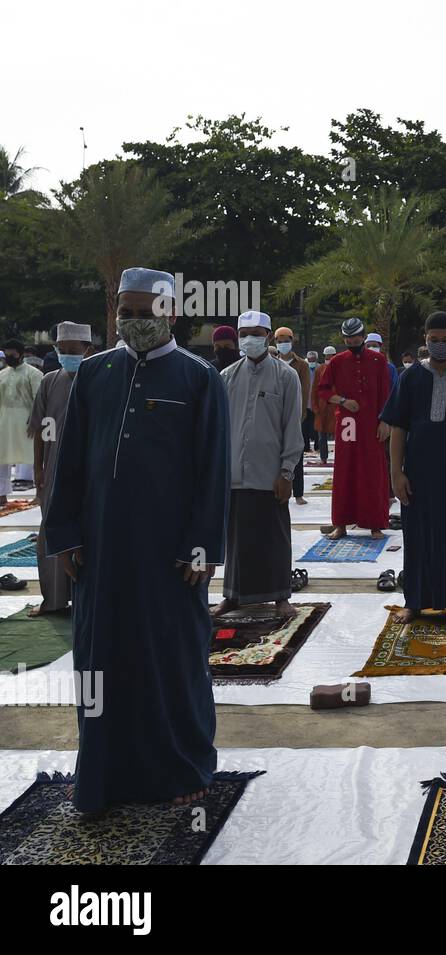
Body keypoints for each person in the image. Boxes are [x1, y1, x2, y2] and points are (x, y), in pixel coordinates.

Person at [45, 267, 229, 813]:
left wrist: (202, 547)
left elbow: (211, 471)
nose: (131, 320)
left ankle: (183, 765)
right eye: (124, 310)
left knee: (171, 656)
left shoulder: (198, 378)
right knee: (99, 656)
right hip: (101, 551)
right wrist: (68, 534)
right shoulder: (95, 374)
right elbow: (70, 462)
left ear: (169, 311)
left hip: (169, 555)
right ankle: (103, 770)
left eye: (143, 310)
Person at [382, 312, 446, 622]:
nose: (439, 345)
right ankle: (415, 601)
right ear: (424, 339)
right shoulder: (410, 377)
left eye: (445, 340)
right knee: (418, 536)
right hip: (419, 474)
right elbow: (398, 428)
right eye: (433, 340)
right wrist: (397, 473)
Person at [211, 311, 302, 618]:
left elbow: (292, 427)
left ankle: (280, 597)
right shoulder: (227, 377)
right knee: (236, 541)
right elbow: (219, 428)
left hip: (271, 473)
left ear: (268, 334)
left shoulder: (285, 376)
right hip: (234, 473)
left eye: (256, 333)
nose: (249, 339)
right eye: (244, 333)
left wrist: (287, 472)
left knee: (273, 536)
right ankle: (232, 596)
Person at [28, 322, 91, 617]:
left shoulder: (97, 379)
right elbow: (39, 429)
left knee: (89, 532)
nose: (67, 356)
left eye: (73, 352)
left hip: (91, 471)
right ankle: (53, 600)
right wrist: (38, 468)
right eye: (62, 351)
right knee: (51, 531)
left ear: (87, 350)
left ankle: (87, 599)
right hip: (54, 469)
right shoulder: (49, 381)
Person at [314, 318, 392, 539]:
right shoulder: (337, 362)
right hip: (347, 424)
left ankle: (376, 523)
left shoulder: (378, 360)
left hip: (372, 423)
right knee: (344, 471)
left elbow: (386, 393)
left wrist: (385, 421)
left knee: (373, 471)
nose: (352, 340)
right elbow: (323, 389)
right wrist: (341, 400)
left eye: (355, 336)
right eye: (348, 337)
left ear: (363, 336)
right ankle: (341, 523)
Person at [0, 338, 43, 504]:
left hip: (28, 424)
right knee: (1, 460)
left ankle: (40, 494)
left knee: (36, 458)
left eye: (13, 353)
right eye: (7, 353)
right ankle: (1, 495)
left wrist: (36, 421)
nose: (9, 356)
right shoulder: (2, 375)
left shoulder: (33, 373)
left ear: (21, 354)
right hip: (4, 424)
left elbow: (39, 399)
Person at [273, 325, 312, 506]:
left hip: (295, 415)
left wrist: (301, 413)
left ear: (292, 341)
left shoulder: (301, 365)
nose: (283, 344)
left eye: (286, 341)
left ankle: (298, 493)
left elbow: (304, 391)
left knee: (296, 454)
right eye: (279, 342)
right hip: (274, 415)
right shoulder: (272, 362)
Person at [311, 347, 336, 464]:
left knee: (339, 435)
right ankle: (323, 457)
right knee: (322, 435)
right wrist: (315, 406)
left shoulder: (340, 368)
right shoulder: (320, 369)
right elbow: (315, 389)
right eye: (327, 356)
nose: (329, 358)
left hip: (336, 406)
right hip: (322, 407)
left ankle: (341, 457)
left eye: (331, 355)